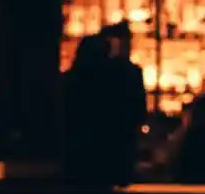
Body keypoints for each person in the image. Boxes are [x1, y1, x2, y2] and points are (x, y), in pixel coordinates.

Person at [60, 23, 147, 185]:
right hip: (117, 155)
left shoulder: (70, 81)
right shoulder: (124, 76)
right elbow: (138, 113)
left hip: (77, 157)